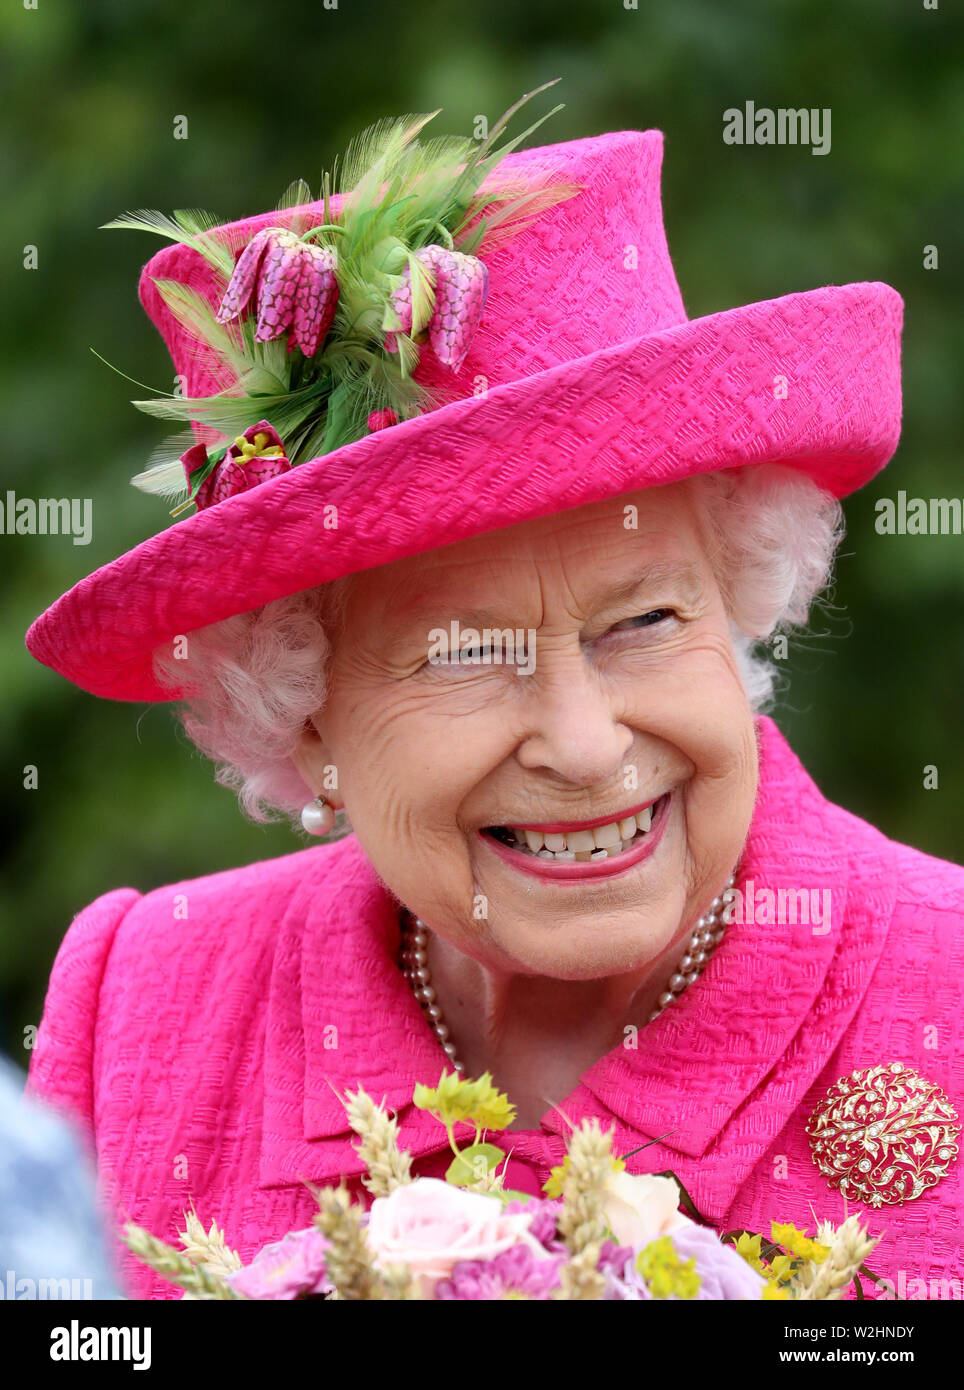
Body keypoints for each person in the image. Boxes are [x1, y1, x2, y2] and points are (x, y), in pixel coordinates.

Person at [23, 103, 963, 1299]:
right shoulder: (143, 998)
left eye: (644, 622)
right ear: (301, 712)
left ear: (738, 605)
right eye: (464, 654)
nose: (583, 744)